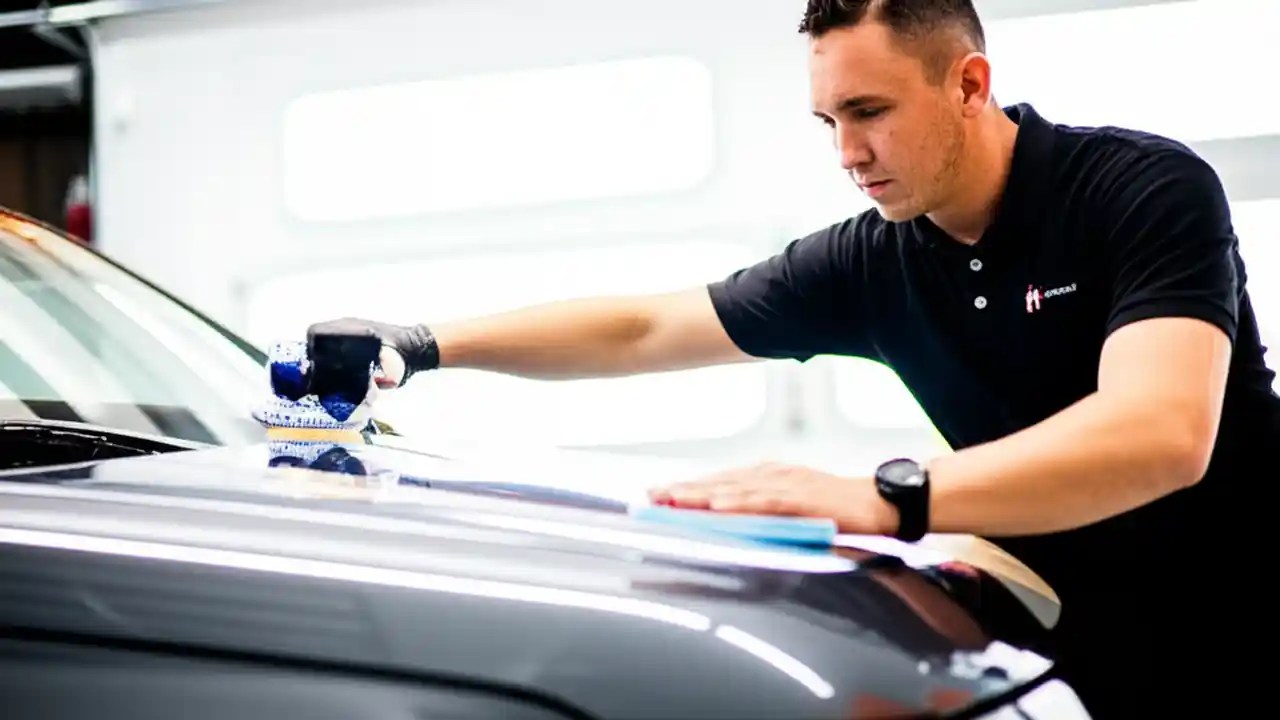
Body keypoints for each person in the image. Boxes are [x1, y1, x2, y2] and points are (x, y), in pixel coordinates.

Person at [309, 0, 1277, 715]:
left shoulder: (1136, 190)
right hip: (1057, 641)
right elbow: (645, 328)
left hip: (1236, 617)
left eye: (869, 110)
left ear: (968, 84)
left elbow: (1159, 435)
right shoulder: (873, 260)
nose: (848, 153)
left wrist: (885, 497)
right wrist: (424, 345)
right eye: (828, 122)